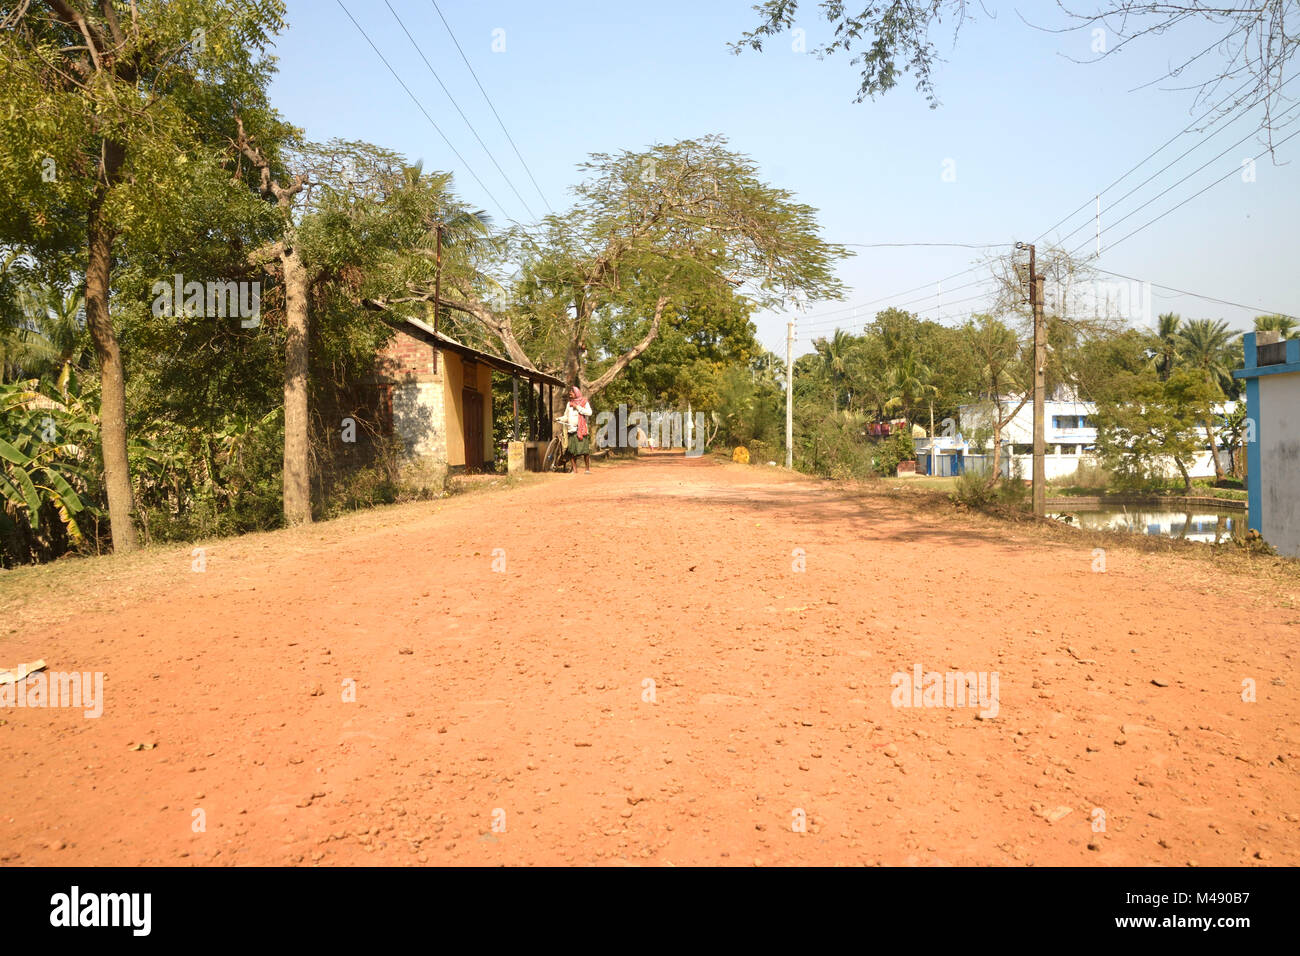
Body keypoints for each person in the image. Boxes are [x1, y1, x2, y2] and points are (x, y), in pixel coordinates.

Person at [562, 385, 592, 473]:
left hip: (581, 430)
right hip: (571, 430)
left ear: (576, 393)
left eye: (572, 393)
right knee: (571, 451)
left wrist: (577, 407)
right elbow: (566, 416)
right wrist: (559, 419)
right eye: (570, 393)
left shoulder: (584, 402)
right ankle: (574, 470)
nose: (570, 394)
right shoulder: (569, 404)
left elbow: (589, 413)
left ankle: (587, 469)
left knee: (585, 451)